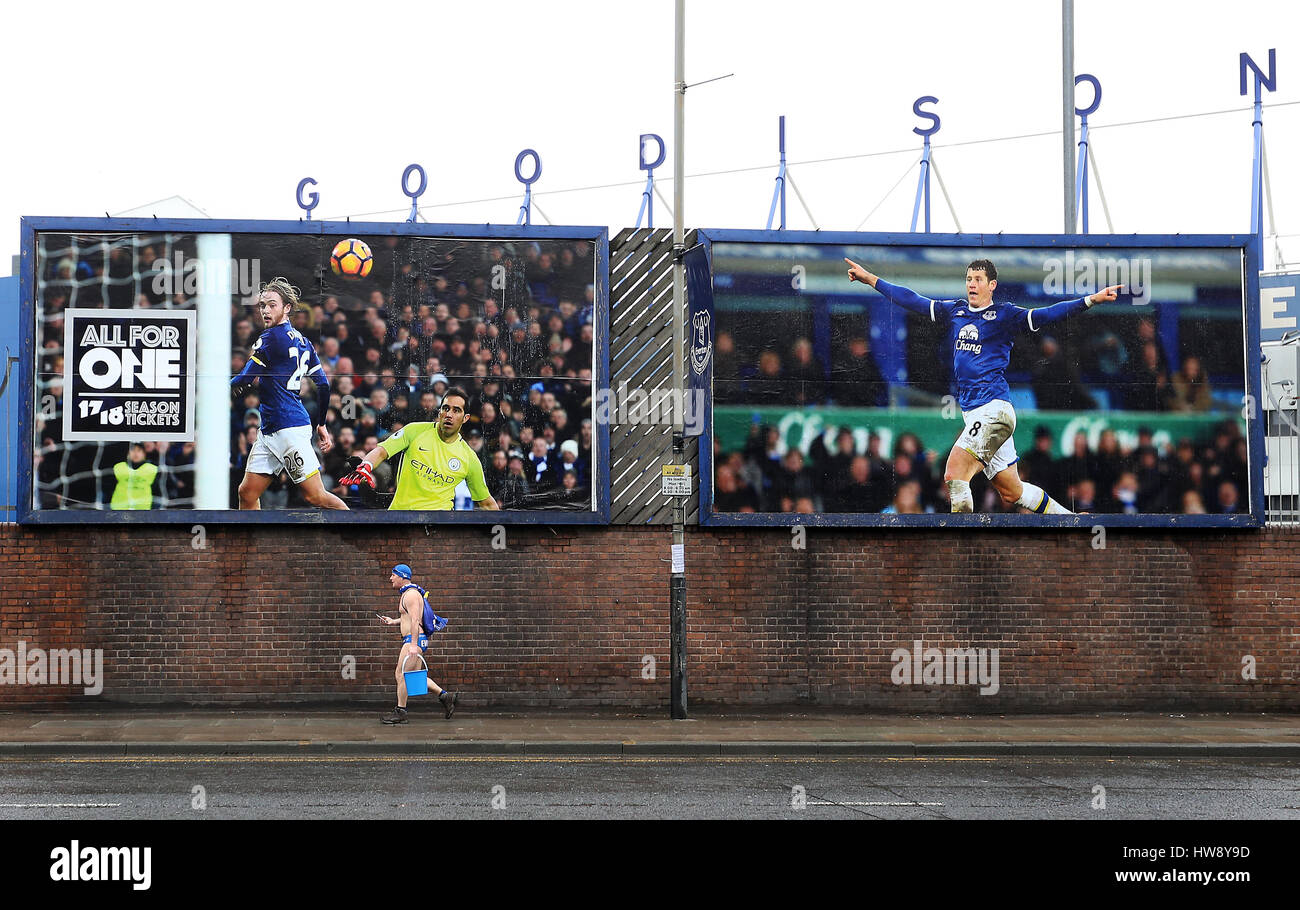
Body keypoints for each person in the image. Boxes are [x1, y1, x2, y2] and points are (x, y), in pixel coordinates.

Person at [845, 257, 1120, 514]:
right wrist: (871, 279)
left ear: (992, 285)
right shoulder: (956, 311)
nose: (972, 284)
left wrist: (1091, 300)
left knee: (954, 473)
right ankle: (1070, 518)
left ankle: (962, 547)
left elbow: (1047, 314)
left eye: (978, 279)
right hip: (976, 415)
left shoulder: (1005, 315)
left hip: (994, 412)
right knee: (1012, 492)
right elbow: (912, 299)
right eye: (968, 279)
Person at [230, 278, 348, 510]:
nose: (265, 310)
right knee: (247, 493)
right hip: (271, 429)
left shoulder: (269, 338)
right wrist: (321, 424)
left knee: (316, 496)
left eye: (272, 304)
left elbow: (244, 379)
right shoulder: (305, 342)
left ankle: (361, 533)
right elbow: (323, 385)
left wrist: (215, 384)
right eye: (263, 305)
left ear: (287, 308)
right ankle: (252, 546)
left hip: (288, 429)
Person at [340, 386, 501, 511]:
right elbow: (382, 451)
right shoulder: (414, 430)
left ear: (465, 418)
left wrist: (503, 535)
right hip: (400, 516)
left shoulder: (469, 457)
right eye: (445, 408)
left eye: (456, 410)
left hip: (438, 524)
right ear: (439, 412)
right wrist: (366, 465)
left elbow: (486, 502)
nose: (449, 414)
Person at [376, 564, 458, 724]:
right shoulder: (409, 593)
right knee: (413, 677)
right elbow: (410, 617)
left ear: (402, 576)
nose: (390, 578)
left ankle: (400, 712)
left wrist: (413, 644)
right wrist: (394, 621)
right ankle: (446, 697)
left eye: (393, 575)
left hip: (413, 640)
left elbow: (415, 620)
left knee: (401, 675)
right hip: (415, 639)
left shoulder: (411, 595)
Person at [108, 442, 158, 510]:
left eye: (139, 450)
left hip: (143, 510)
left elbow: (157, 490)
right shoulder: (118, 467)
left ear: (144, 454)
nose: (135, 453)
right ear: (128, 453)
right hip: (119, 508)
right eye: (133, 450)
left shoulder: (153, 469)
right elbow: (109, 487)